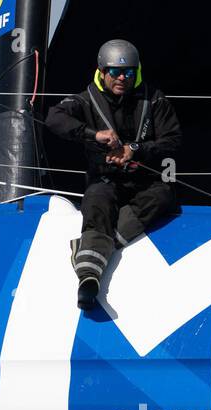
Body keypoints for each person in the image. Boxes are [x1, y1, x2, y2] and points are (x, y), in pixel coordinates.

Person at [45, 39, 182, 309]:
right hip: (105, 177)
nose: (122, 78)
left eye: (129, 73)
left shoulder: (154, 99)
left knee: (165, 194)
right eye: (116, 72)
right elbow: (54, 118)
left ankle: (96, 251)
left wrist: (136, 149)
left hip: (144, 179)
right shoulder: (84, 100)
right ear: (102, 71)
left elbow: (173, 139)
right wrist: (94, 135)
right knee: (96, 198)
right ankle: (88, 278)